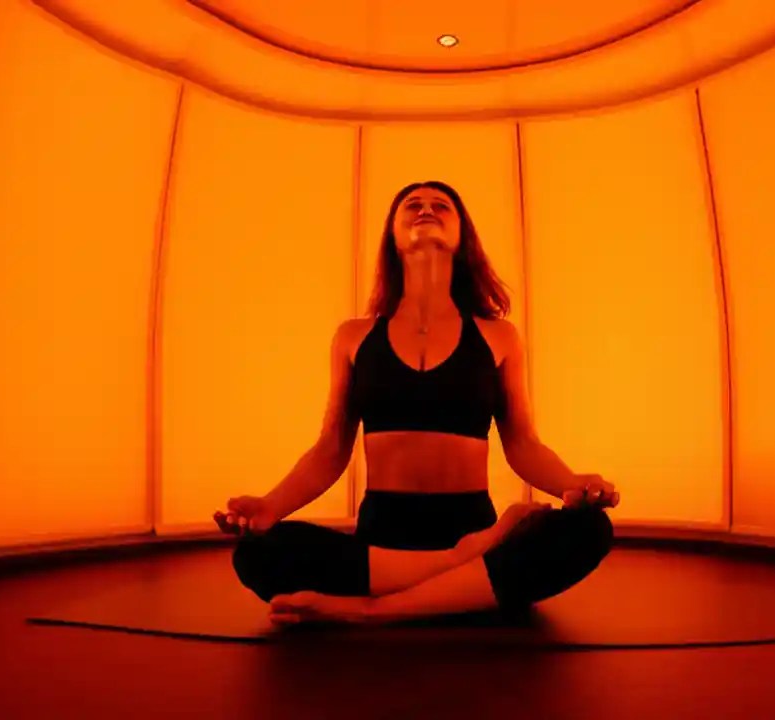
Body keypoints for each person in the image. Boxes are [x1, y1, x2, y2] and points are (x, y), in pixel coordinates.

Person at [215, 180, 618, 627]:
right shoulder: (354, 337)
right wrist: (271, 507)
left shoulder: (498, 336)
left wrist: (573, 484)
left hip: (469, 521)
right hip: (387, 537)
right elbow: (330, 449)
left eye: (440, 205)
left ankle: (375, 608)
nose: (425, 209)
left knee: (589, 530)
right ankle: (461, 571)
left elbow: (522, 444)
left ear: (463, 236)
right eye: (412, 205)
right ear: (391, 234)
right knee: (258, 554)